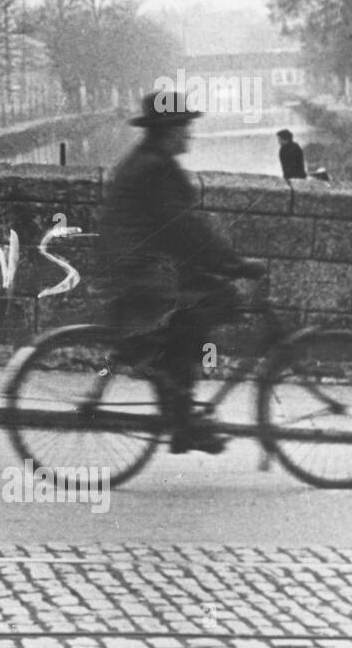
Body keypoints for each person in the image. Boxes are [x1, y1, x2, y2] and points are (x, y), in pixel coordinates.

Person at [99, 91, 266, 454]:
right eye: (184, 126)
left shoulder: (146, 162)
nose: (189, 134)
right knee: (214, 302)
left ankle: (178, 406)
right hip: (141, 276)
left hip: (141, 268)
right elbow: (185, 229)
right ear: (168, 131)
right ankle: (182, 414)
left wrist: (217, 264)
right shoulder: (155, 168)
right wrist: (233, 265)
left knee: (201, 308)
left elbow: (180, 232)